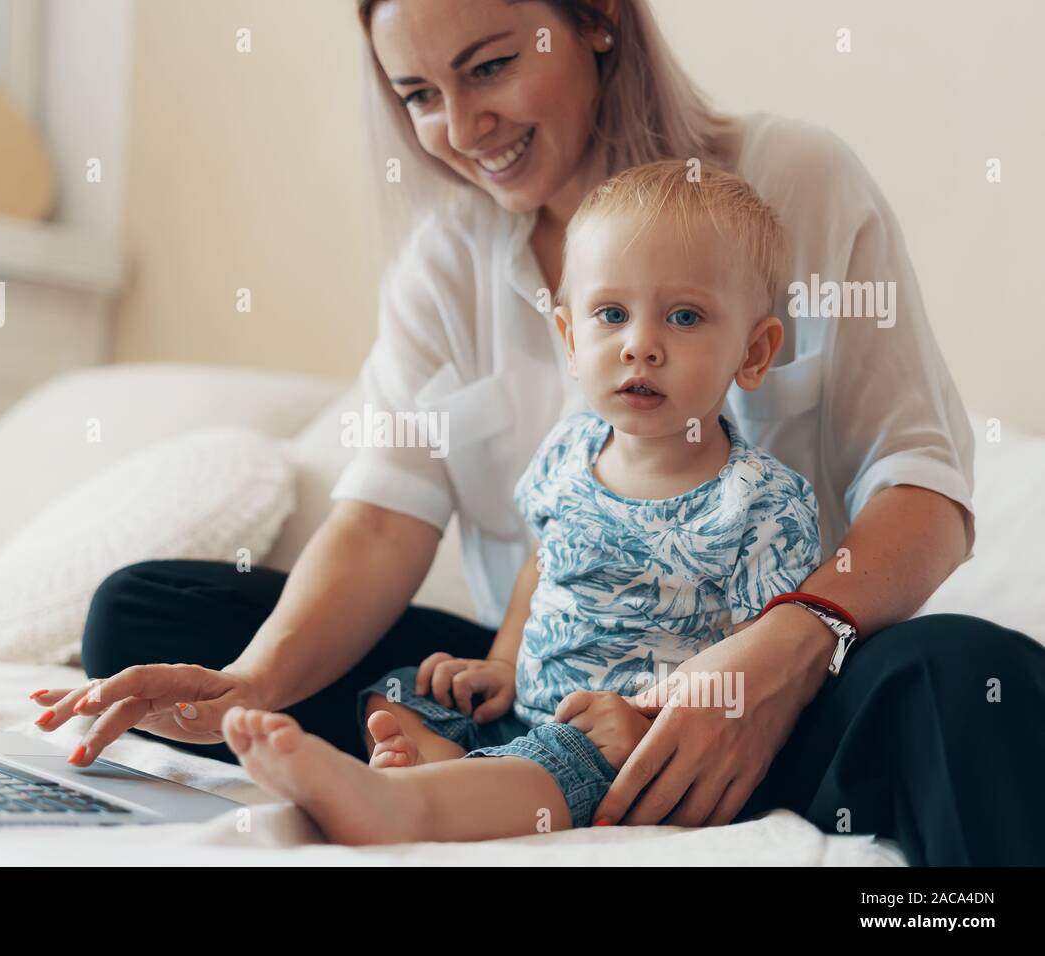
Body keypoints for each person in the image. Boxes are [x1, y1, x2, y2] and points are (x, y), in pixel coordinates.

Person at [30, 0, 1045, 864]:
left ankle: (609, 771)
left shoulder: (794, 179)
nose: (461, 127)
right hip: (550, 681)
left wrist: (777, 656)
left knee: (967, 676)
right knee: (147, 614)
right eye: (419, 96)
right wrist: (252, 681)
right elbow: (383, 521)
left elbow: (923, 488)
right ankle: (474, 763)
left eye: (491, 67)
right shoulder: (445, 259)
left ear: (596, 18)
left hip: (789, 670)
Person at [218, 160, 833, 843]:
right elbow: (542, 565)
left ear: (753, 352)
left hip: (625, 745)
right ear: (572, 339)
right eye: (611, 315)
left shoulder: (760, 502)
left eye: (684, 316)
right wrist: (502, 666)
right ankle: (442, 763)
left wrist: (652, 722)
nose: (640, 345)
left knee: (566, 758)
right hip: (526, 710)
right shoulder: (571, 450)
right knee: (403, 691)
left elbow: (758, 673)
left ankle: (407, 807)